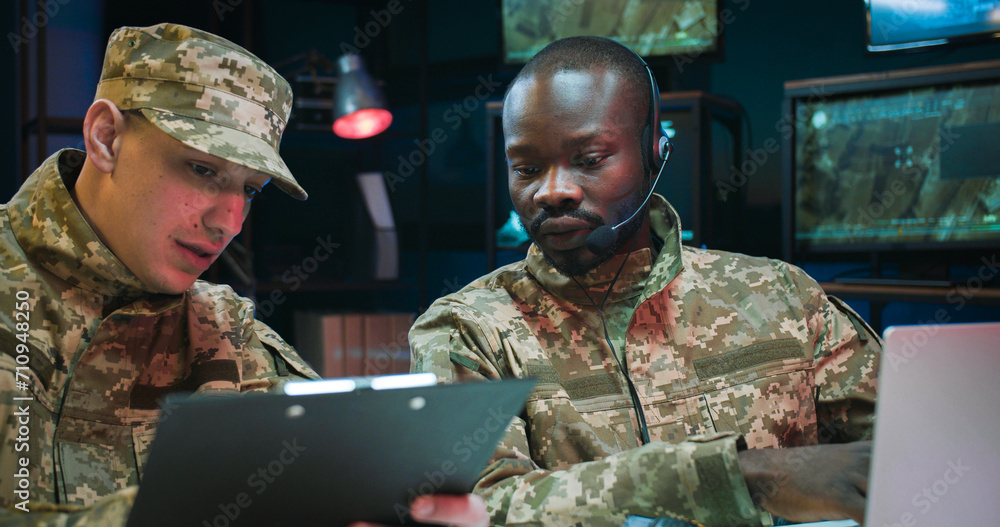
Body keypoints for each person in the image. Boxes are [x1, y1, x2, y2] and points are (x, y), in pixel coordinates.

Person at [0, 23, 485, 527]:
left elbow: (341, 468)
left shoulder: (221, 325)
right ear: (106, 138)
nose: (229, 223)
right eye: (203, 170)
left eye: (250, 189)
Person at [409, 36, 880, 526]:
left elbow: (916, 459)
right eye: (526, 168)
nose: (553, 191)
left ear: (656, 153)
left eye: (590, 159)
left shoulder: (782, 296)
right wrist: (740, 476)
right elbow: (475, 510)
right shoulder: (468, 330)